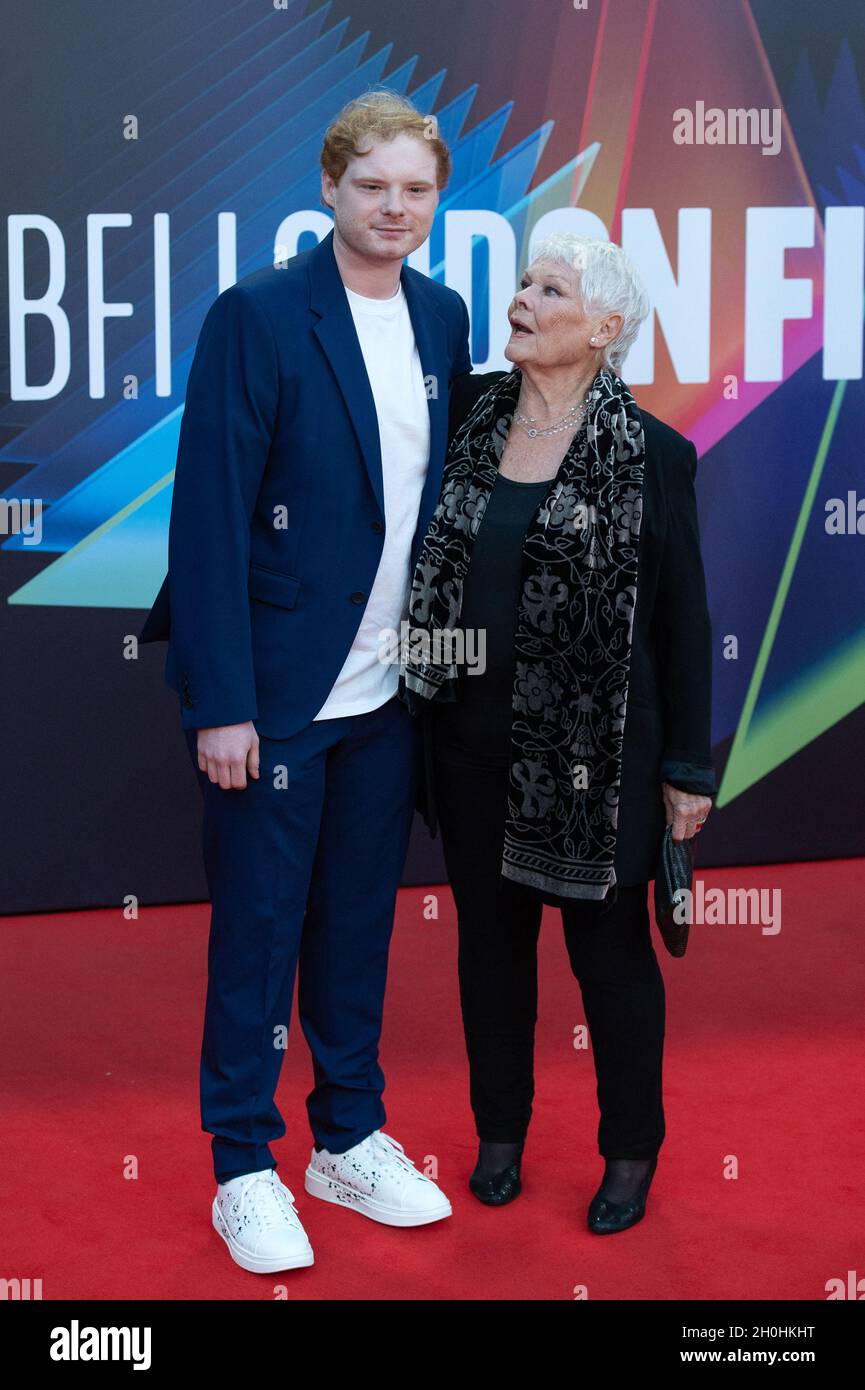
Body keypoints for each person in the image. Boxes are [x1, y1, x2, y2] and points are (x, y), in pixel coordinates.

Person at [138, 89, 471, 1274]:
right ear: (329, 187)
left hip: (385, 699)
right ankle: (241, 1161)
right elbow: (212, 517)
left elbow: (430, 517)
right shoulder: (260, 315)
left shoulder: (443, 317)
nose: (396, 207)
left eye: (417, 188)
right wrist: (221, 699)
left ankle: (347, 1137)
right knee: (259, 932)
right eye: (373, 184)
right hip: (275, 696)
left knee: (354, 930)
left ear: (439, 198)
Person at [401, 232, 716, 1234]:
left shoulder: (654, 456)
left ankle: (629, 1148)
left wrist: (685, 768)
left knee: (609, 960)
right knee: (488, 952)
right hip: (467, 744)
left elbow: (684, 621)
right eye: (525, 282)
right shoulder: (468, 417)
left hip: (600, 762)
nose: (521, 298)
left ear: (606, 327)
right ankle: (500, 1134)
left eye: (550, 287)